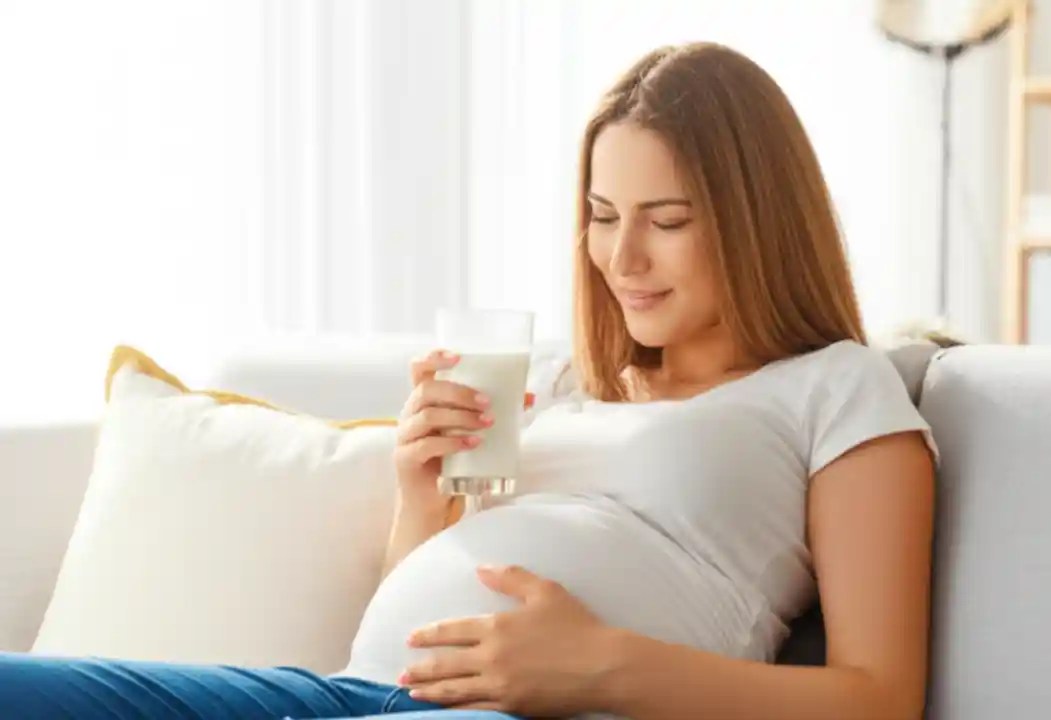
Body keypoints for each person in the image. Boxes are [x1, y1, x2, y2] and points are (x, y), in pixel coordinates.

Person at [0, 42, 937, 720]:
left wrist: (601, 668)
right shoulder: (563, 376)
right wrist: (421, 495)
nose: (623, 256)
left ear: (757, 218)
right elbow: (420, 595)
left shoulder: (837, 391)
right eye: (603, 215)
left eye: (668, 219)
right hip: (348, 695)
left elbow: (878, 697)